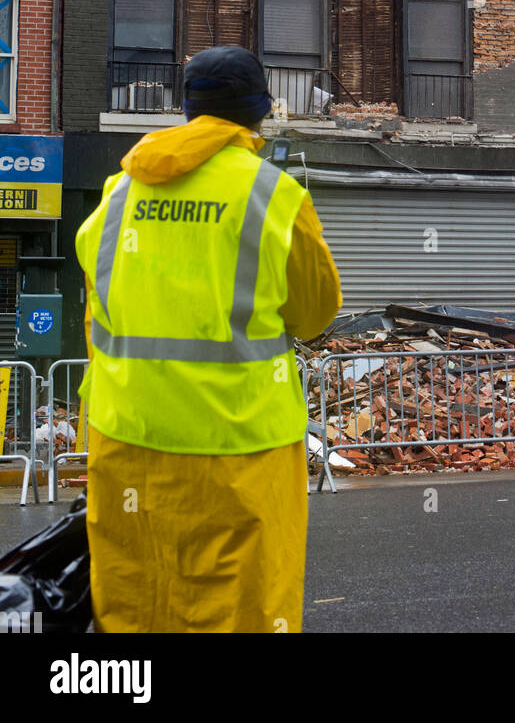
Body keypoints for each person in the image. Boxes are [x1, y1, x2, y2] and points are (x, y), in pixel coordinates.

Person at [75, 46, 341, 633]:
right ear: (260, 113)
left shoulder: (118, 194)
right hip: (240, 440)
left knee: (137, 595)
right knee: (241, 600)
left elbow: (98, 307)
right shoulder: (274, 197)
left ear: (186, 108)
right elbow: (315, 312)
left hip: (129, 435)